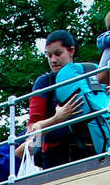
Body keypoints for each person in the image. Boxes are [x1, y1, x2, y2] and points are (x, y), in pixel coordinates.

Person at [24, 31, 100, 171]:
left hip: (94, 149)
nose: (53, 59)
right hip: (56, 157)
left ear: (71, 50)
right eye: (49, 55)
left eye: (57, 54)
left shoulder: (90, 73)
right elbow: (32, 129)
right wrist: (58, 118)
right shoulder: (44, 82)